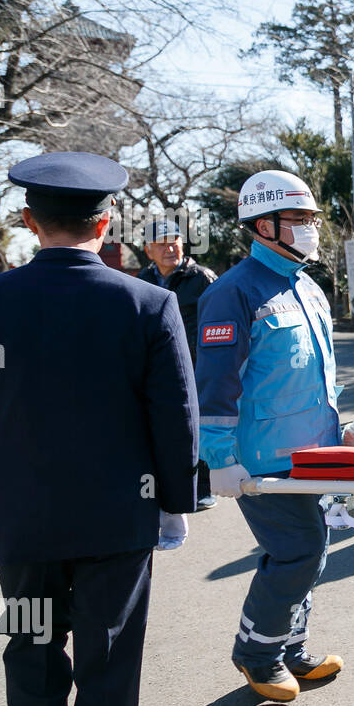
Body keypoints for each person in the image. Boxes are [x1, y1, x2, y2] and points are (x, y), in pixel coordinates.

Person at [0, 152, 198, 706]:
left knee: (31, 659)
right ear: (106, 224)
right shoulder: (148, 304)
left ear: (30, 220)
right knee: (108, 667)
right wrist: (174, 503)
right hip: (118, 519)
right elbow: (175, 416)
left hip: (21, 521)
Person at [195, 169, 344, 702]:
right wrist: (218, 459)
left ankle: (290, 646)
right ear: (263, 225)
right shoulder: (231, 293)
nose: (310, 229)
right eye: (299, 220)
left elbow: (319, 374)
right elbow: (214, 385)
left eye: (311, 219)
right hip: (260, 459)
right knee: (295, 552)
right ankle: (256, 654)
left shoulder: (307, 286)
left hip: (315, 453)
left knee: (315, 549)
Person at [138, 217, 218, 525]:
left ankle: (203, 487)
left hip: (197, 363)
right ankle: (163, 485)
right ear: (148, 250)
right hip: (156, 364)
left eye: (175, 241)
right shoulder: (142, 278)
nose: (170, 248)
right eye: (161, 243)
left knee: (198, 425)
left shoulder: (202, 278)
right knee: (161, 424)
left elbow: (219, 321)